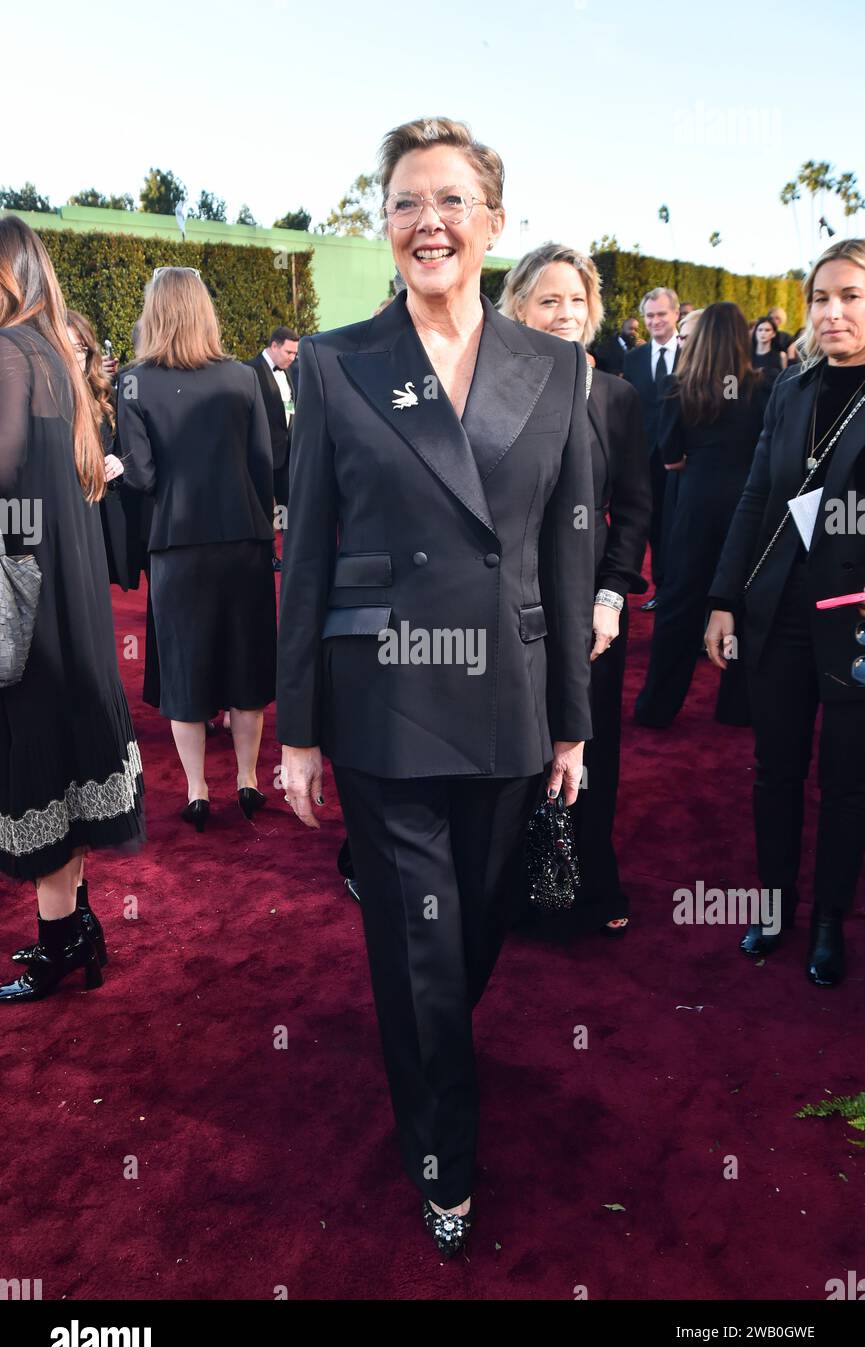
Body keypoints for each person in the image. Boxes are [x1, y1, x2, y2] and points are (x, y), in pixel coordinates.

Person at [277, 117, 595, 1255]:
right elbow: (305, 551)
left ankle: (423, 1056)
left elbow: (567, 557)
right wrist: (299, 732)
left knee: (472, 932)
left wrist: (572, 720)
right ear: (385, 222)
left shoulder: (557, 367)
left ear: (492, 224)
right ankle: (443, 1157)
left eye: (452, 200)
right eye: (407, 200)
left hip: (510, 699)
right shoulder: (333, 361)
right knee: (420, 943)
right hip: (382, 701)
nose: (429, 221)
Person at [706, 239, 865, 986]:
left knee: (845, 781)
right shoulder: (790, 390)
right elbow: (754, 499)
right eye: (821, 299)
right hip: (776, 617)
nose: (832, 313)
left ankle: (830, 919)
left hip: (857, 625)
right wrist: (721, 599)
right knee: (772, 774)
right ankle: (774, 907)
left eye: (850, 297)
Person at [0, 216, 144, 1003]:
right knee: (61, 756)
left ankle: (63, 944)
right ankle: (79, 928)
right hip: (62, 590)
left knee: (38, 757)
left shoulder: (11, 352)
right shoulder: (54, 352)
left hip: (28, 602)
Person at [499, 243, 650, 935]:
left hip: (590, 609)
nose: (564, 313)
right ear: (517, 307)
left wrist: (611, 596)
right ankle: (513, 890)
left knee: (588, 751)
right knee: (515, 751)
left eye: (575, 300)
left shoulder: (615, 396)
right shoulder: (490, 388)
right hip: (508, 606)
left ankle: (585, 887)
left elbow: (636, 508)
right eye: (547, 299)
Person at [118, 268, 276, 830]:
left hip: (178, 546)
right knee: (247, 661)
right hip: (245, 540)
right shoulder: (242, 377)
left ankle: (195, 789)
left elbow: (140, 475)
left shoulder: (135, 382)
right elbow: (264, 465)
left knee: (186, 671)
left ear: (152, 312)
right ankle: (250, 779)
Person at [634, 303, 772, 728]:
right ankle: (736, 707)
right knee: (741, 602)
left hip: (694, 503)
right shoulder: (763, 386)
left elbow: (670, 458)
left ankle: (657, 707)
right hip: (747, 504)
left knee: (679, 604)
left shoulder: (680, 385)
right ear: (739, 336)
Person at [66, 310, 148, 592]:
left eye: (79, 348)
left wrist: (119, 462)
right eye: (66, 347)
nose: (74, 355)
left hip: (101, 508)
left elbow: (126, 447)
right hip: (65, 510)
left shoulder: (105, 393)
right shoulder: (45, 393)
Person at [623, 287, 681, 608]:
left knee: (680, 525)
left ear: (675, 314)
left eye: (661, 314)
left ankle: (681, 586)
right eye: (650, 316)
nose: (656, 321)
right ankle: (662, 588)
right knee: (654, 524)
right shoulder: (633, 359)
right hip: (644, 458)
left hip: (684, 460)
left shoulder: (692, 354)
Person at [247, 327, 299, 572]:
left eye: (294, 353)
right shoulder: (251, 370)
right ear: (274, 345)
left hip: (288, 452)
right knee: (264, 507)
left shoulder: (290, 372)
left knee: (286, 508)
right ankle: (267, 555)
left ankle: (289, 553)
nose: (292, 357)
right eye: (288, 352)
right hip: (263, 454)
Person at [751, 315, 788, 382]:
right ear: (756, 332)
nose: (763, 333)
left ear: (773, 334)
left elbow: (784, 381)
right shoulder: (746, 355)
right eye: (760, 330)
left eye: (767, 330)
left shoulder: (781, 356)